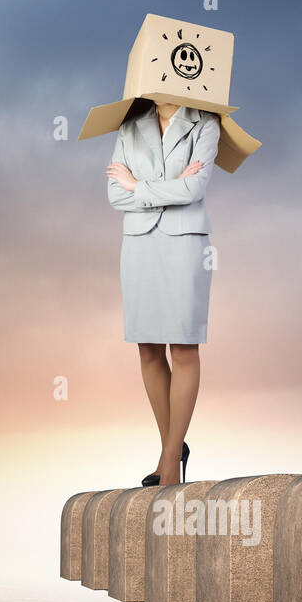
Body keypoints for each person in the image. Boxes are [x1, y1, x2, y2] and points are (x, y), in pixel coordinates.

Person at [105, 99, 220, 487]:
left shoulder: (205, 124)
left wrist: (137, 185)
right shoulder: (130, 126)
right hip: (139, 243)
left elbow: (195, 188)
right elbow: (114, 194)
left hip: (184, 243)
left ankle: (170, 461)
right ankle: (170, 447)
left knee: (183, 347)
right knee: (148, 348)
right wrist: (171, 188)